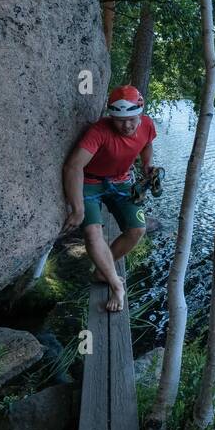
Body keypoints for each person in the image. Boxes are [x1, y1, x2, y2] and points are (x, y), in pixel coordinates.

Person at [63, 85, 159, 312]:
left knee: (137, 229)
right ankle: (116, 283)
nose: (126, 125)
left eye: (131, 119)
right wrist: (78, 209)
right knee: (92, 231)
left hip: (122, 181)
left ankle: (102, 270)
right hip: (91, 183)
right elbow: (73, 166)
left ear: (140, 112)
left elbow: (147, 144)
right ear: (110, 116)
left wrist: (146, 166)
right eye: (119, 120)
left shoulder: (146, 124)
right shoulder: (99, 131)